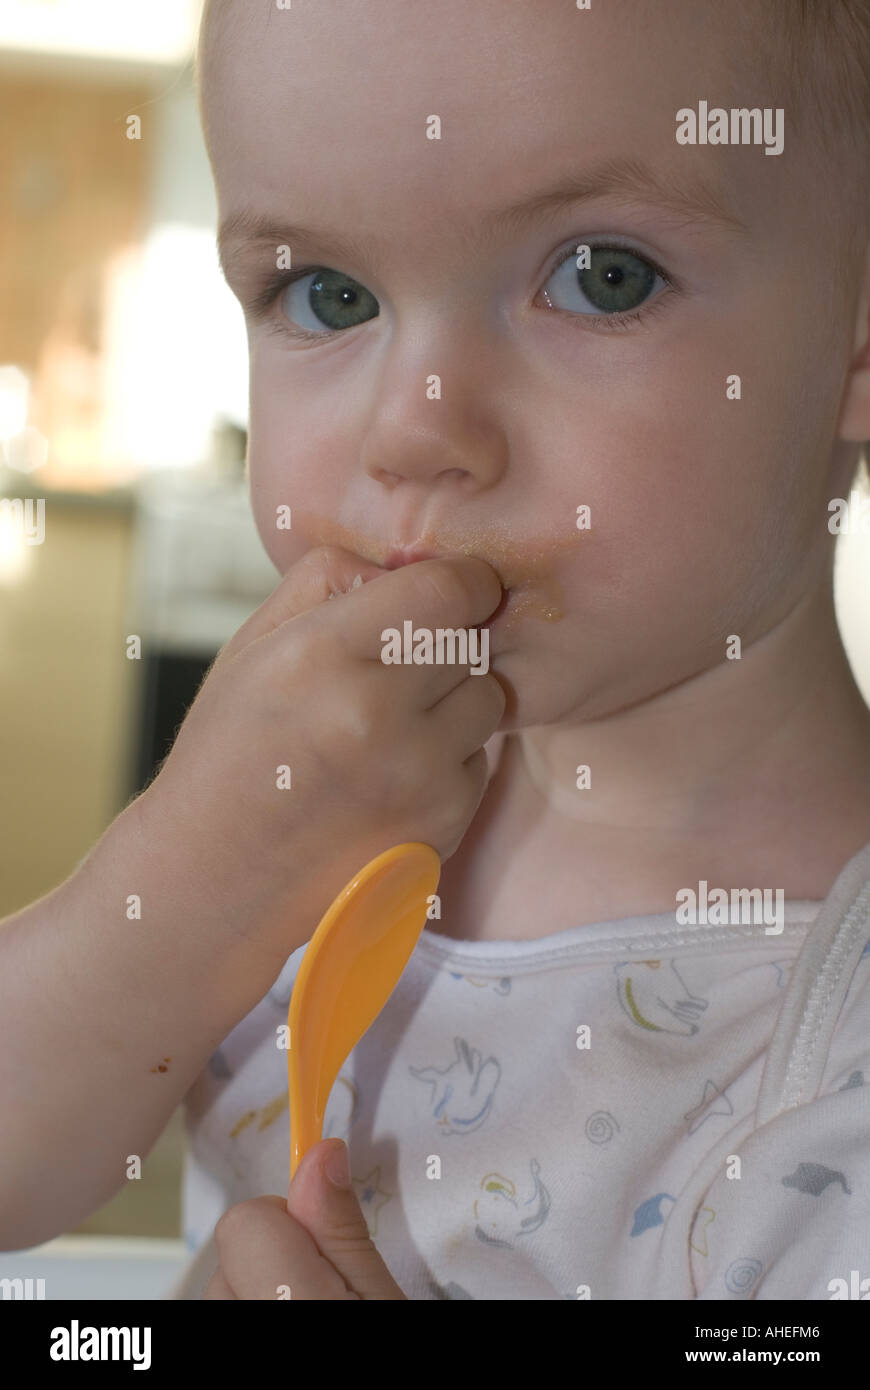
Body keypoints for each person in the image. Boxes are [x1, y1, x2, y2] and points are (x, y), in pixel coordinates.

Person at [3, 0, 870, 1300]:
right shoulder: (298, 806)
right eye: (327, 294)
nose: (414, 430)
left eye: (600, 275)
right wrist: (180, 883)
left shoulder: (828, 1047)